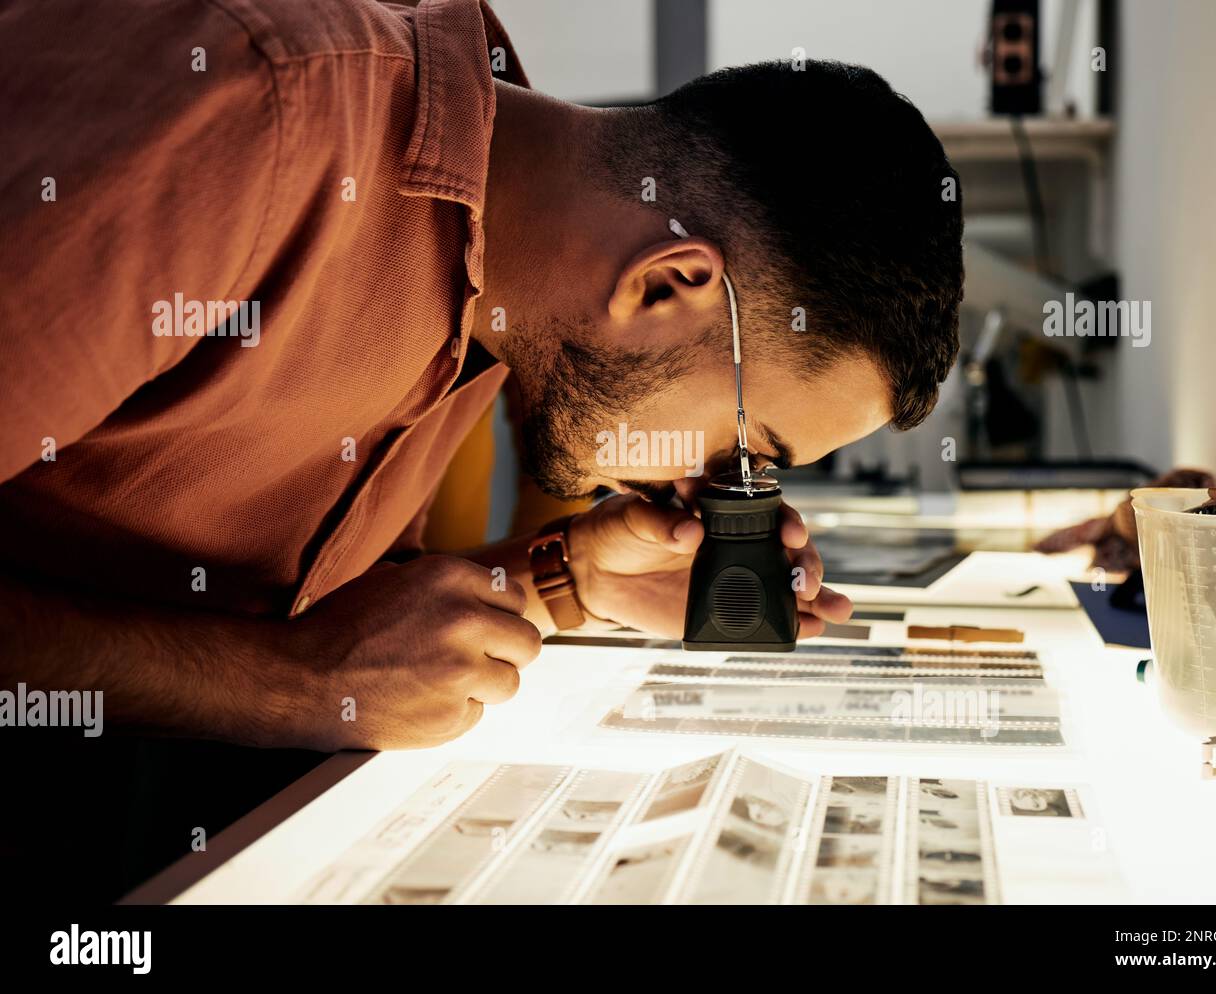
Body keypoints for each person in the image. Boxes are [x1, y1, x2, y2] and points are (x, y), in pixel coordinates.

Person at [0, 0, 965, 752]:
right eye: (746, 454)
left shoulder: (496, 297)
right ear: (668, 283)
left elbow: (334, 633)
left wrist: (570, 580)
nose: (707, 495)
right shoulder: (261, 112)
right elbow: (298, 665)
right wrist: (291, 684)